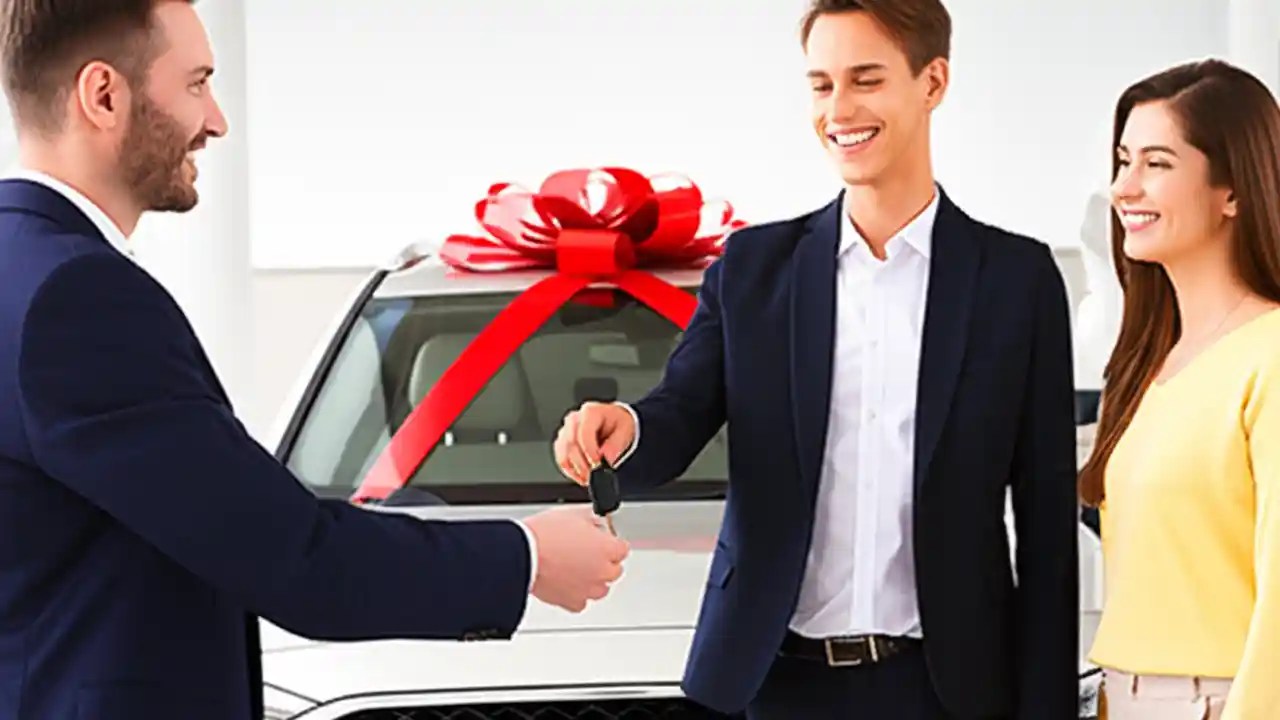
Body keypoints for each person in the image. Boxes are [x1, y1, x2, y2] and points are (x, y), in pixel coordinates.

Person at [0, 2, 629, 719]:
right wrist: (529, 557)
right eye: (197, 83)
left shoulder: (20, 270)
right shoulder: (76, 297)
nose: (217, 121)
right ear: (104, 95)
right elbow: (293, 558)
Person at [553, 0, 1080, 717]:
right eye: (821, 84)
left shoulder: (1017, 283)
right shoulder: (752, 269)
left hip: (945, 688)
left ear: (933, 83)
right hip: (770, 683)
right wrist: (623, 429)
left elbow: (1048, 529)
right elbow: (676, 416)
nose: (839, 109)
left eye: (866, 79)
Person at [1079, 59, 1280, 720]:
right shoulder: (1145, 364)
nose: (1122, 187)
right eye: (1122, 160)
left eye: (1156, 164)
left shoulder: (1270, 356)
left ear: (1235, 190)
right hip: (1119, 698)